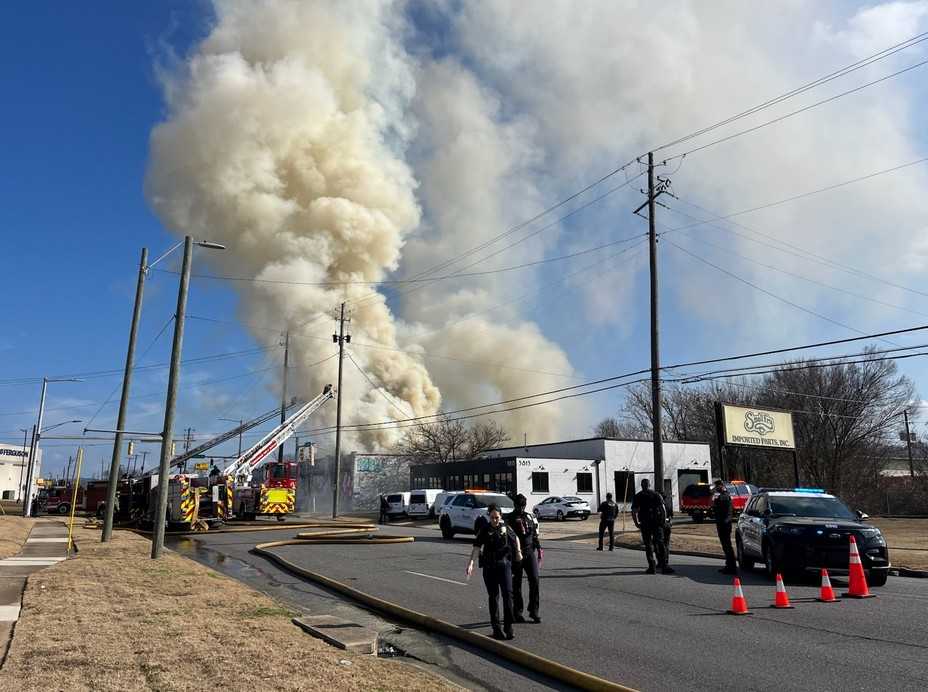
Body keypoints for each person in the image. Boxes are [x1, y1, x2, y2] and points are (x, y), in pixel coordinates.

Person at [466, 503, 523, 640]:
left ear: (500, 516)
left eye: (497, 517)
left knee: (508, 595)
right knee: (493, 597)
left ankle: (508, 627)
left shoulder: (506, 528)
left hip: (504, 566)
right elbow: (476, 547)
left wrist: (518, 553)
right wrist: (471, 563)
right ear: (489, 517)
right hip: (490, 567)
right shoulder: (485, 529)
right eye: (492, 517)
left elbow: (515, 538)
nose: (494, 520)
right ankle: (496, 628)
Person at [505, 494, 542, 624]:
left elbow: (533, 534)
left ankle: (534, 610)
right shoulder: (509, 518)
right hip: (516, 554)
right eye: (518, 506)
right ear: (514, 505)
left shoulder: (529, 517)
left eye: (523, 506)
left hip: (529, 551)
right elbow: (507, 537)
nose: (521, 508)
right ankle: (517, 612)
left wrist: (539, 548)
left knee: (535, 580)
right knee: (517, 584)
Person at [631, 478, 673, 574]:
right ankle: (664, 566)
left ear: (641, 485)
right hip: (656, 523)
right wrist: (663, 521)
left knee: (648, 545)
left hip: (645, 523)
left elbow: (634, 512)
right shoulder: (656, 495)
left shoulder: (638, 496)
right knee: (660, 543)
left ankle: (651, 566)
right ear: (649, 485)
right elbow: (663, 509)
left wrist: (636, 523)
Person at [713, 480, 738, 574]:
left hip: (724, 525)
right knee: (726, 546)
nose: (716, 488)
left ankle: (731, 567)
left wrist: (715, 499)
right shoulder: (723, 495)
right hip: (724, 524)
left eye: (717, 486)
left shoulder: (724, 496)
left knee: (727, 546)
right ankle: (729, 565)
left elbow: (723, 511)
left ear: (721, 486)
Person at [659, 490, 674, 566]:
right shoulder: (668, 505)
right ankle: (666, 559)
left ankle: (662, 561)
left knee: (661, 544)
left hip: (662, 526)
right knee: (666, 544)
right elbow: (671, 516)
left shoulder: (658, 507)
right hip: (668, 525)